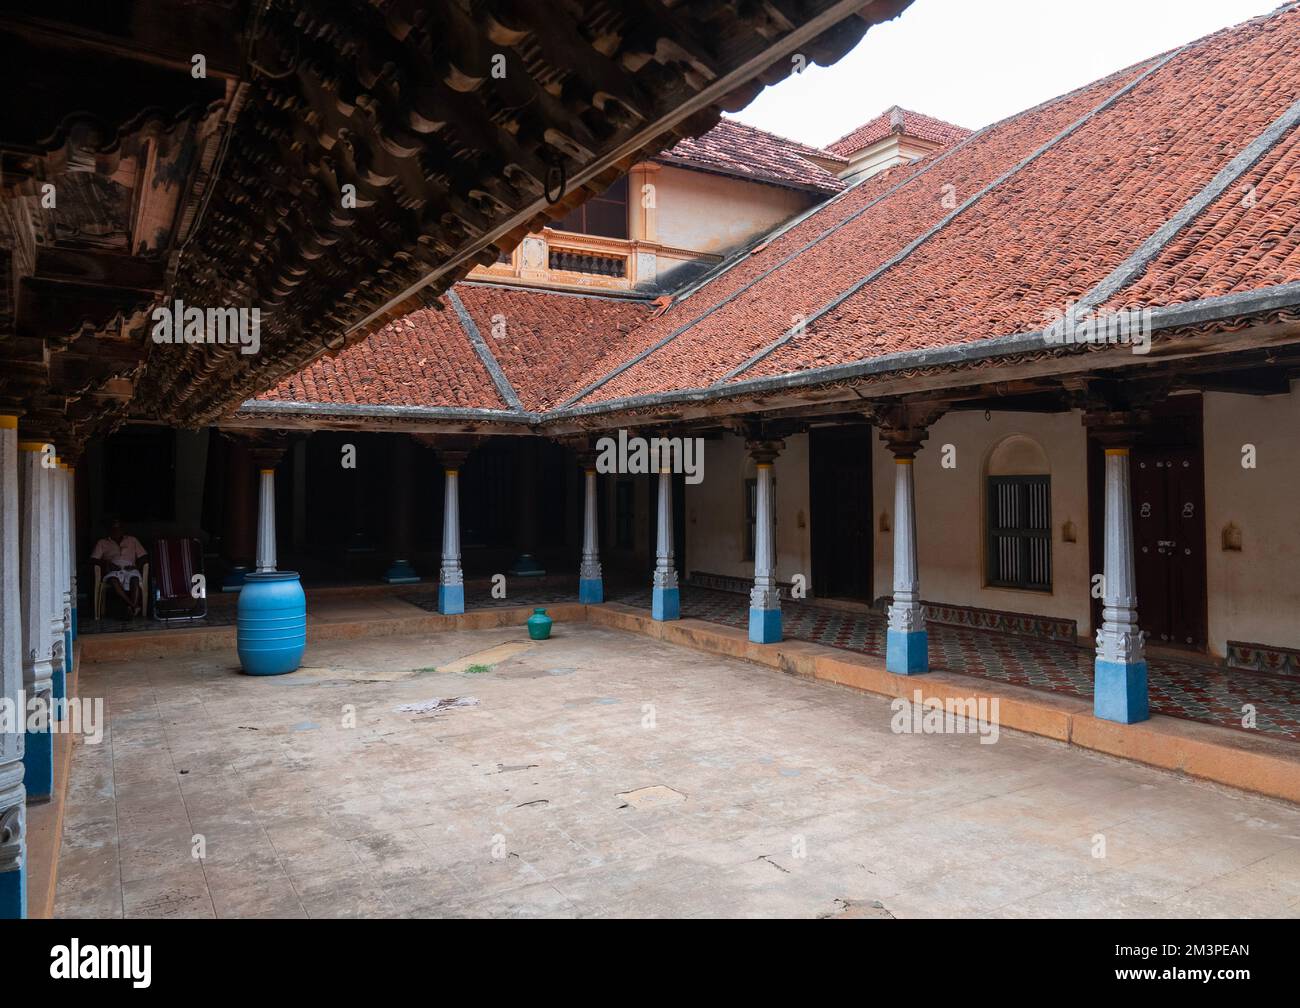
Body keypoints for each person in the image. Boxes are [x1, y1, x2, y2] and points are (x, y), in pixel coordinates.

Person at [91, 518, 149, 618]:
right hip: (113, 569)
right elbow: (93, 559)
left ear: (123, 529)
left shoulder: (132, 540)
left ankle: (131, 607)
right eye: (114, 528)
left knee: (135, 579)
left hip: (130, 568)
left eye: (118, 528)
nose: (116, 531)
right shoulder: (102, 542)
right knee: (113, 580)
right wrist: (107, 564)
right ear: (109, 530)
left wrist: (136, 566)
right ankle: (134, 606)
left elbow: (144, 557)